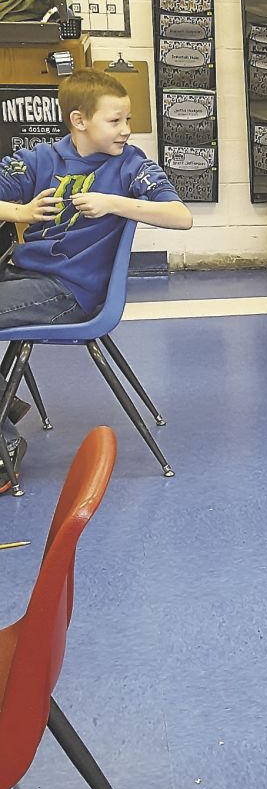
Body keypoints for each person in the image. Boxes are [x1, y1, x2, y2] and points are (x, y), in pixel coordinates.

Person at [0, 71, 193, 490]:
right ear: (79, 120)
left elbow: (182, 216)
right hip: (25, 276)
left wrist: (115, 203)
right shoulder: (40, 159)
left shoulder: (131, 165)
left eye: (128, 120)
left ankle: (5, 443)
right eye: (116, 121)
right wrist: (21, 213)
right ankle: (4, 406)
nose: (127, 130)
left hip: (70, 292)